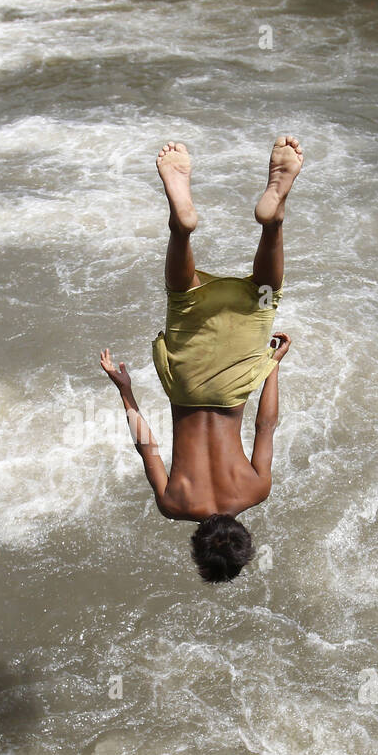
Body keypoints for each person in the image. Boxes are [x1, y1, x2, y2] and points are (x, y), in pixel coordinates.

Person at [100, 136, 302, 582]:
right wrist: (125, 391)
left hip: (234, 386)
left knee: (262, 296)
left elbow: (265, 425)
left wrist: (272, 367)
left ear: (243, 534)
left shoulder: (256, 489)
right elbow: (146, 444)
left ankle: (273, 222)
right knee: (183, 295)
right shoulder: (175, 504)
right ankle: (181, 229)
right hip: (187, 386)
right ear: (197, 545)